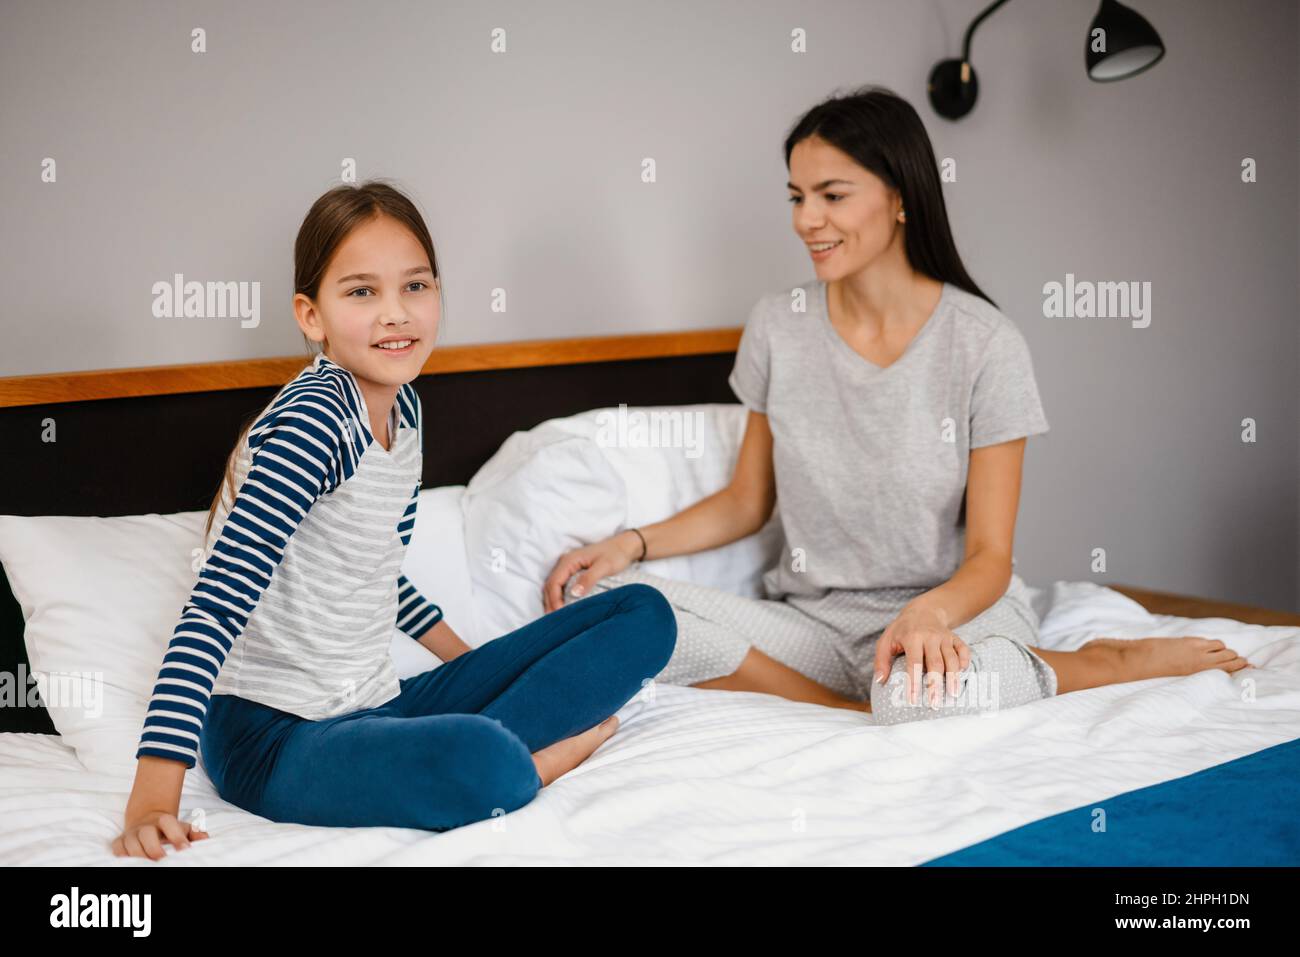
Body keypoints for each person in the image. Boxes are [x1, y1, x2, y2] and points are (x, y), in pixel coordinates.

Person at [543, 86, 1248, 725]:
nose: (806, 220)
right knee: (601, 607)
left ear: (902, 196)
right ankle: (844, 705)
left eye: (832, 195)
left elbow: (992, 555)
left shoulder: (984, 343)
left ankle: (1098, 662)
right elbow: (746, 501)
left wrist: (929, 613)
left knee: (912, 694)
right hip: (816, 623)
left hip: (952, 608)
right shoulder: (777, 324)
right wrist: (628, 544)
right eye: (796, 197)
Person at [113, 180, 676, 859]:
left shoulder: (404, 413)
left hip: (376, 705)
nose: (396, 314)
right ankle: (540, 759)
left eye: (415, 287)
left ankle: (480, 746)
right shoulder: (314, 423)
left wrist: (479, 668)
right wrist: (152, 796)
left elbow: (379, 570)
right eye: (361, 292)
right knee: (481, 760)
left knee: (645, 613)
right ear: (310, 314)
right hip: (274, 736)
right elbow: (215, 602)